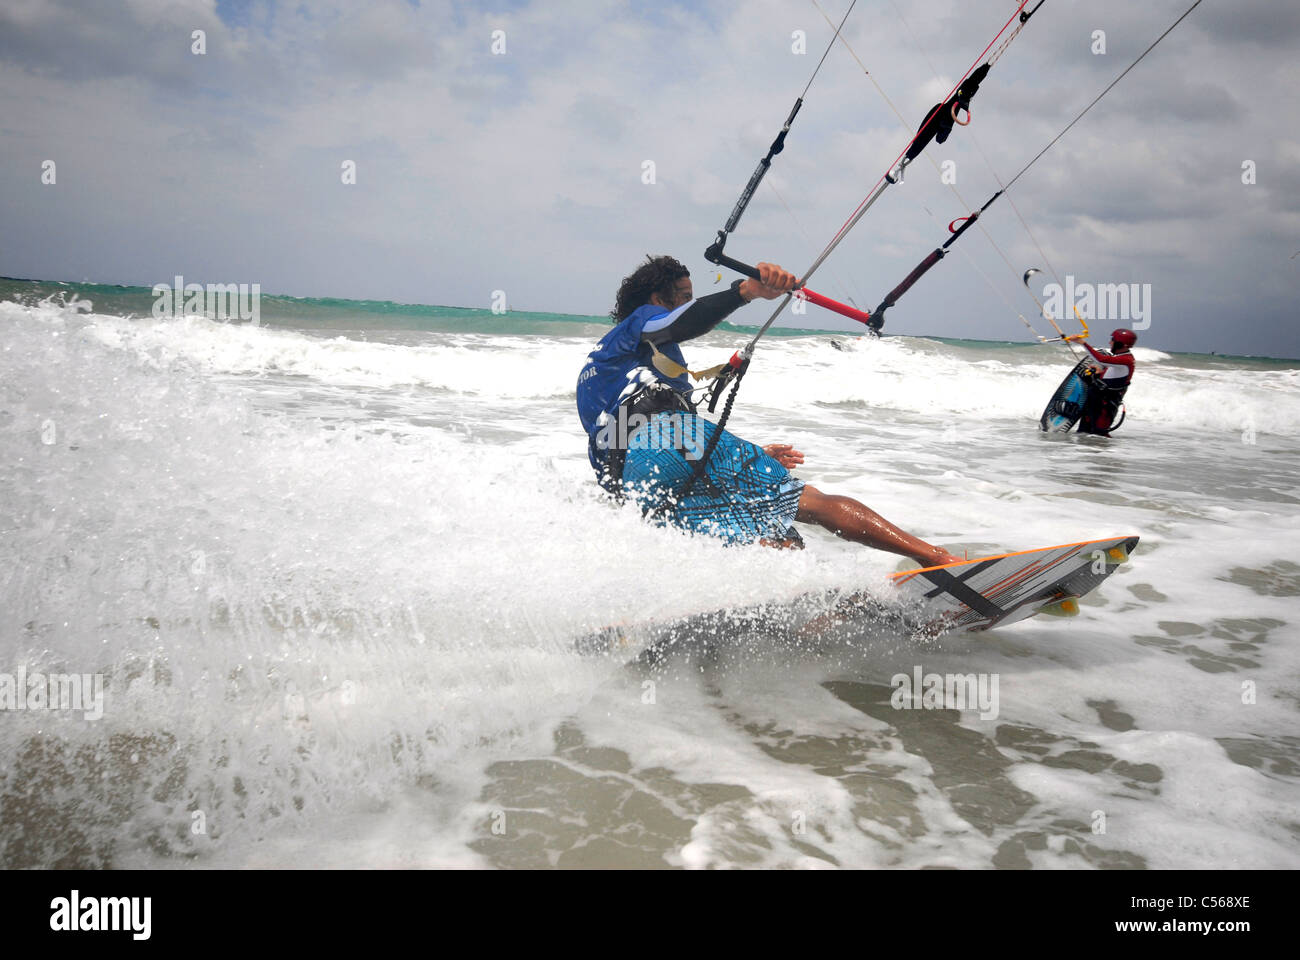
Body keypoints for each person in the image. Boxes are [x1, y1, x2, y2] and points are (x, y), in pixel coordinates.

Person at [576, 255, 960, 567]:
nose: (691, 304)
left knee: (746, 545)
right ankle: (936, 558)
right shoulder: (643, 321)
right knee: (807, 508)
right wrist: (745, 291)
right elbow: (680, 332)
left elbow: (648, 450)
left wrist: (754, 453)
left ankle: (778, 619)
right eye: (684, 296)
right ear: (657, 301)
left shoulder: (600, 371)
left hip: (635, 474)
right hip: (671, 436)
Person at [1077, 328, 1137, 435]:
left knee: (1099, 435)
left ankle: (1108, 452)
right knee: (1083, 433)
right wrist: (1100, 372)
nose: (1110, 342)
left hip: (1104, 406)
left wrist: (1082, 343)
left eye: (1112, 340)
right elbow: (1114, 374)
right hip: (1096, 402)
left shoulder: (1126, 360)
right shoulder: (1121, 358)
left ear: (1120, 344)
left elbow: (1101, 359)